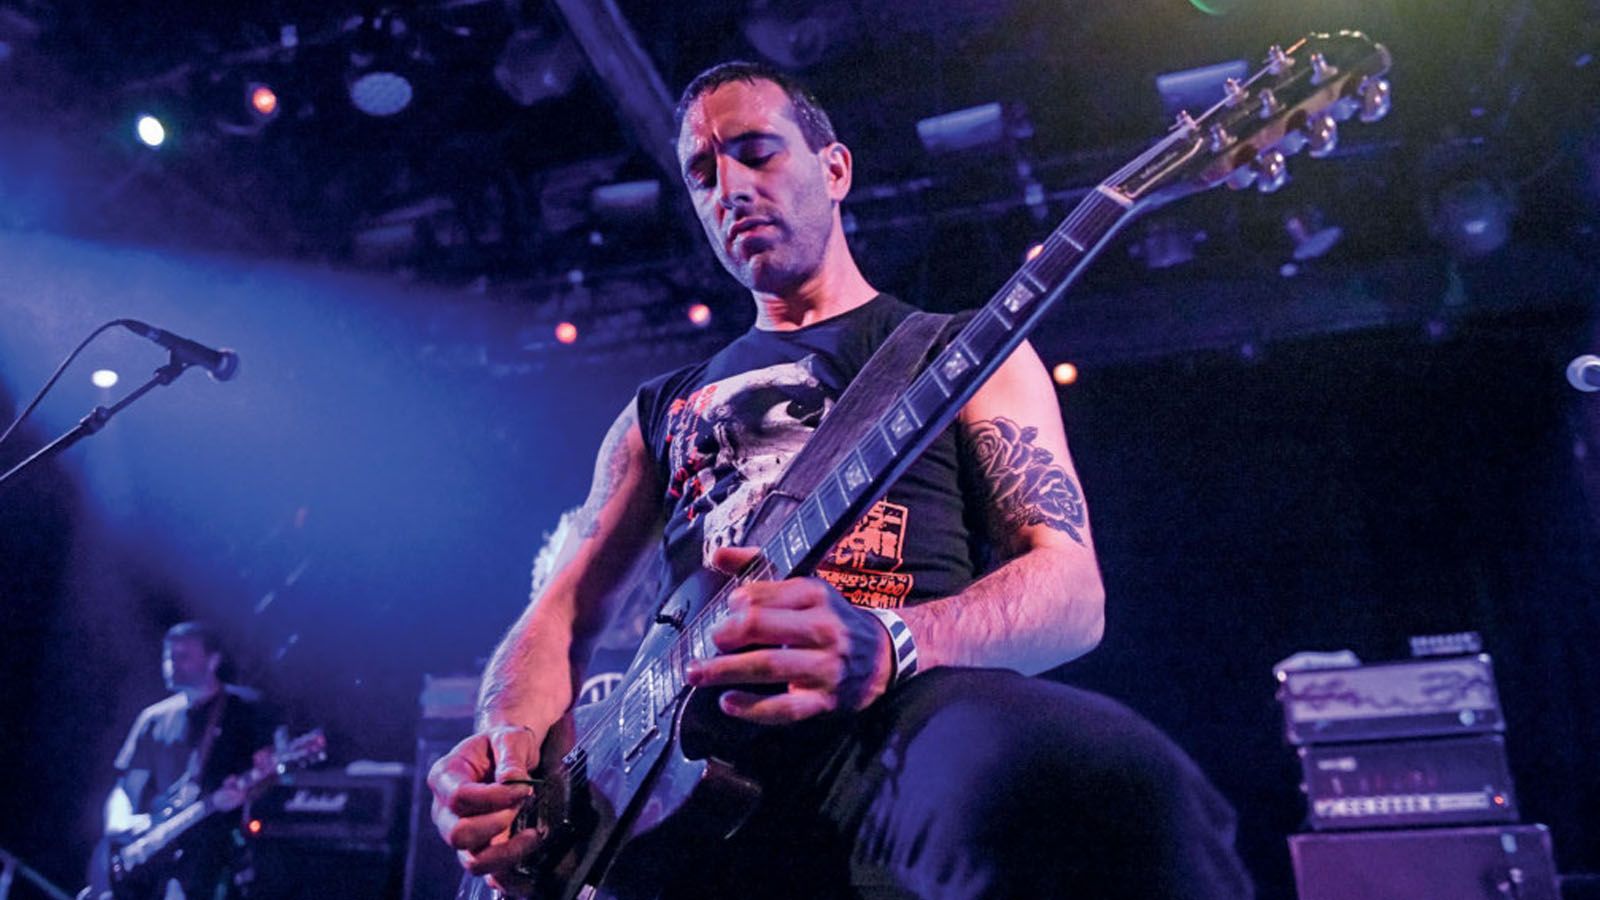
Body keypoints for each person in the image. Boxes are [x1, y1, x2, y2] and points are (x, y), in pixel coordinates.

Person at [429, 61, 1253, 899]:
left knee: (1100, 789)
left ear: (835, 169)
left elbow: (1071, 594)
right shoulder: (658, 411)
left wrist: (890, 643)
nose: (730, 189)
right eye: (703, 174)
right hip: (677, 785)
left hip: (893, 724)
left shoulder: (964, 352)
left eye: (757, 152)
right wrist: (507, 753)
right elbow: (562, 612)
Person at [89, 622, 275, 900]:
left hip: (213, 850)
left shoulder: (246, 710)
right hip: (156, 848)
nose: (172, 664)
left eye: (183, 656)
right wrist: (119, 821)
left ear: (213, 661)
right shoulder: (153, 718)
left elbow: (268, 775)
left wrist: (247, 791)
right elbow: (126, 788)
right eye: (168, 656)